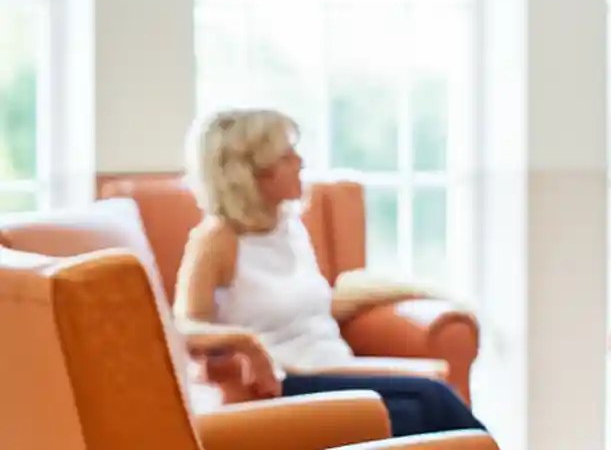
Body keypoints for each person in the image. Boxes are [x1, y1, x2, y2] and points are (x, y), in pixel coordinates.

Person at [172, 108, 486, 438]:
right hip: (284, 380)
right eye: (286, 156)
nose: (300, 163)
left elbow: (314, 304)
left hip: (331, 365)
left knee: (423, 404)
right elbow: (184, 328)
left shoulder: (288, 226)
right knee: (425, 403)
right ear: (251, 173)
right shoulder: (216, 240)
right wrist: (246, 343)